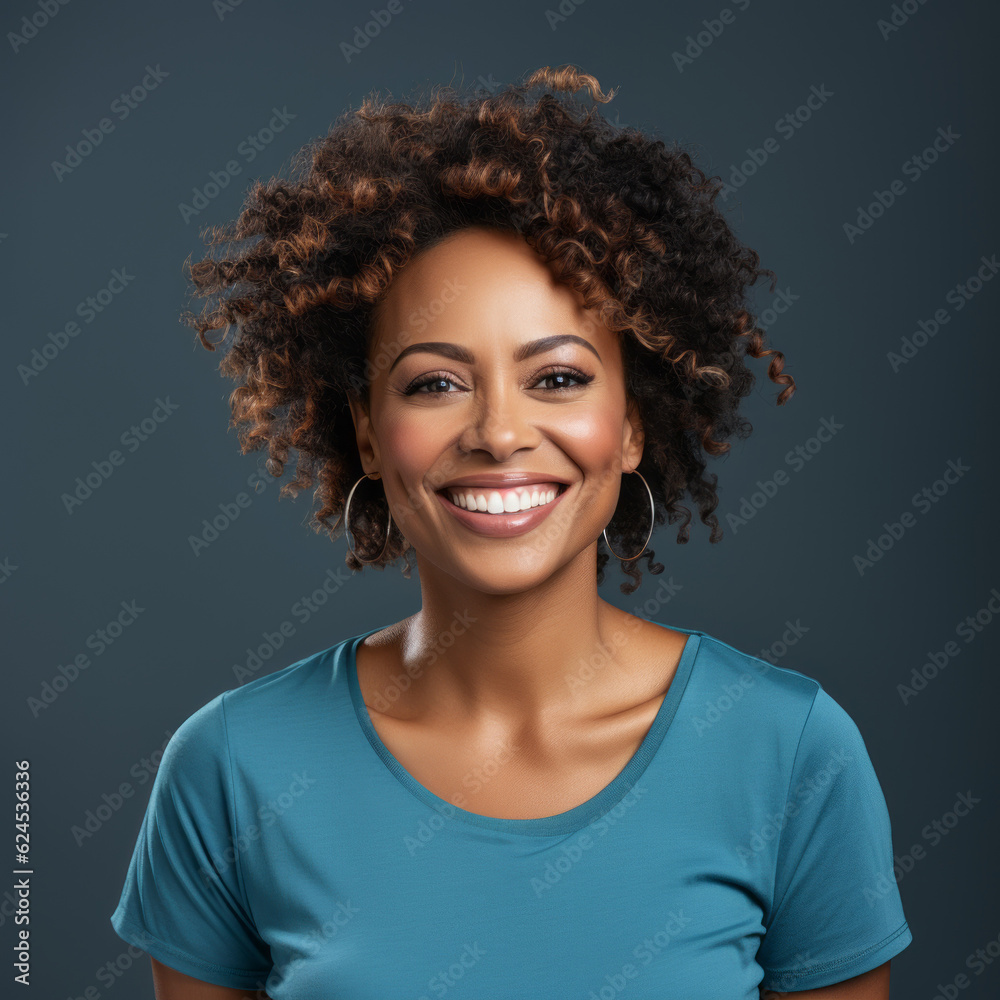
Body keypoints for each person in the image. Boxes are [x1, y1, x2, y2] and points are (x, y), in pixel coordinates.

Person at [109, 65, 911, 999]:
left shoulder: (791, 753)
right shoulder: (232, 767)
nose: (497, 432)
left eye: (560, 378)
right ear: (367, 430)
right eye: (434, 383)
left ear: (634, 421)